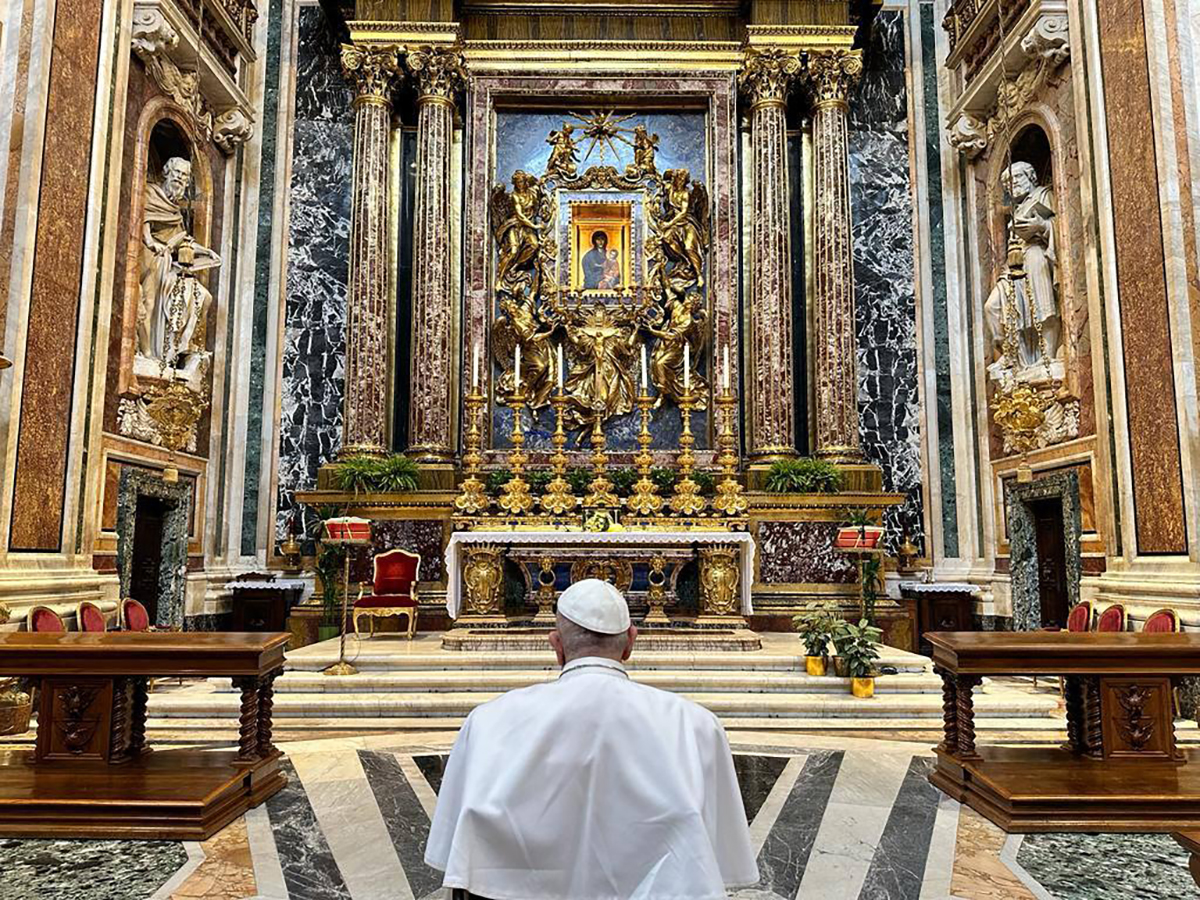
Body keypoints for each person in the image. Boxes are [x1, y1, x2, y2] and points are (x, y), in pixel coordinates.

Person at [425, 579, 758, 900]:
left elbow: (454, 854)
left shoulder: (488, 721)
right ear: (630, 642)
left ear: (557, 646)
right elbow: (718, 860)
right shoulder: (697, 726)